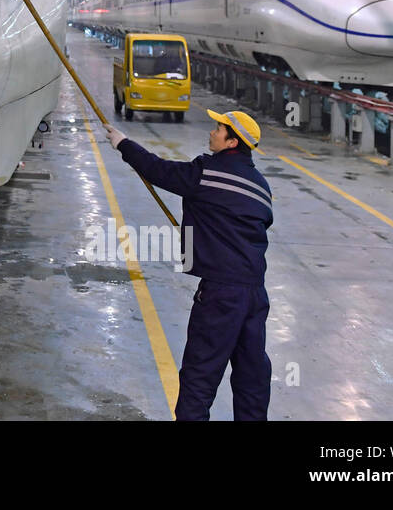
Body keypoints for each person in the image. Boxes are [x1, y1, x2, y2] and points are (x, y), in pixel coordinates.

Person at [104, 108, 273, 421]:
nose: (211, 133)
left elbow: (158, 170)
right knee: (252, 378)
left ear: (232, 142)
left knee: (199, 376)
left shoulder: (207, 172)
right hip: (254, 295)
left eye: (218, 129)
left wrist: (123, 144)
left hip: (221, 296)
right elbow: (250, 224)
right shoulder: (261, 186)